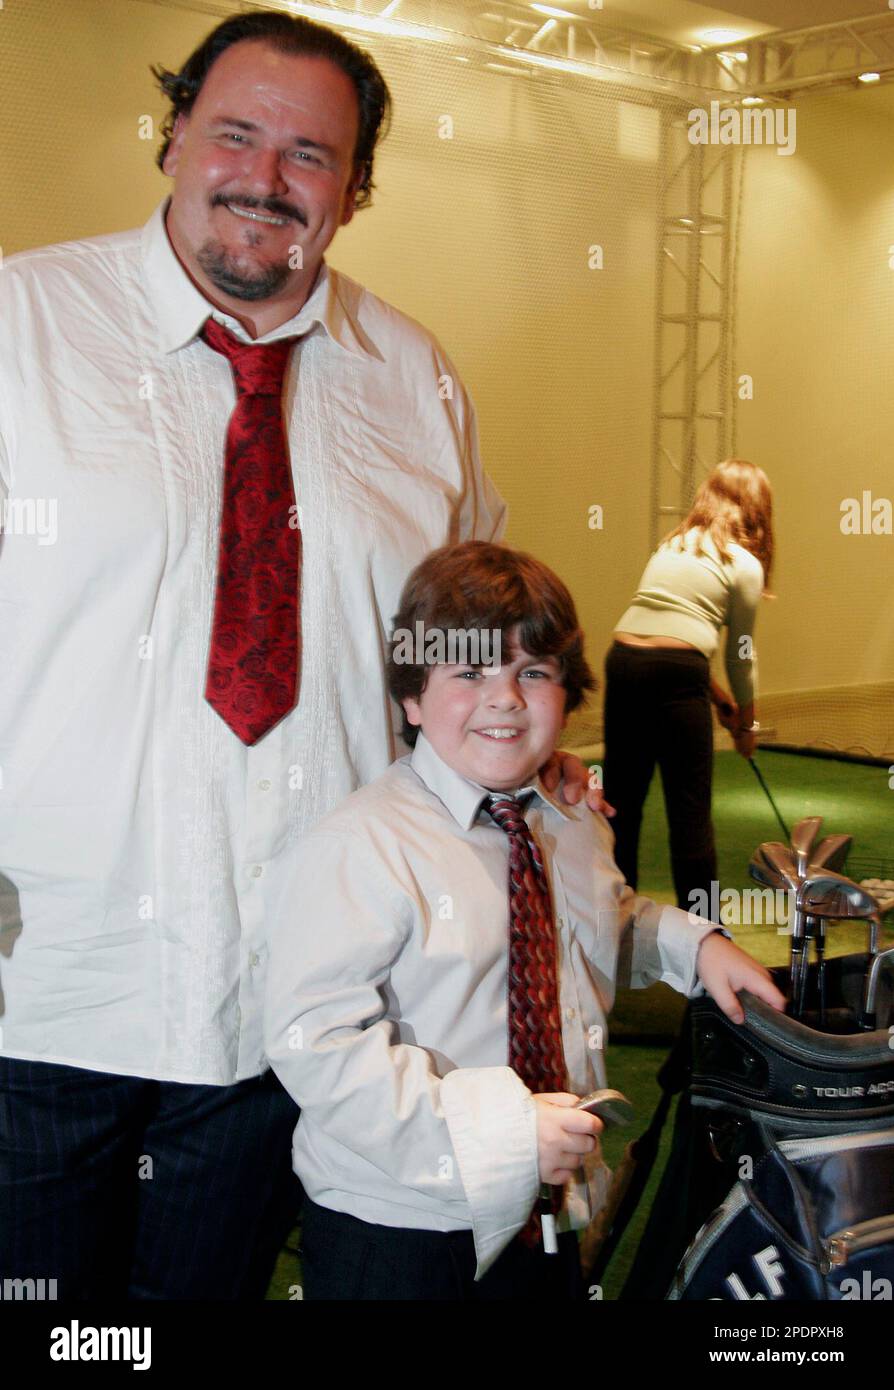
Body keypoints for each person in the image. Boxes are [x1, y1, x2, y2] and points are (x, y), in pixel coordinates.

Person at [0, 11, 596, 1300]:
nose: (265, 177)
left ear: (355, 191)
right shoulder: (20, 326)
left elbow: (464, 649)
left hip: (297, 1002)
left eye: (311, 155)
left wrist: (544, 789)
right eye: (235, 133)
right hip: (42, 989)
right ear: (173, 140)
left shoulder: (416, 379)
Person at [264, 540, 785, 1301]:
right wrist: (502, 1138)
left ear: (568, 694)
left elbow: (597, 924)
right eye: (469, 672)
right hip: (405, 1227)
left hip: (550, 1211)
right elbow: (320, 1043)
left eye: (532, 672)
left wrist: (692, 945)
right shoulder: (361, 846)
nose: (505, 698)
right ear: (411, 697)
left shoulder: (571, 824)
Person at [602, 458, 774, 916]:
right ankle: (704, 943)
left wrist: (719, 700)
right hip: (678, 676)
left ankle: (613, 932)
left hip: (623, 664)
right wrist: (748, 724)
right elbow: (740, 654)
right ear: (757, 510)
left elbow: (664, 635)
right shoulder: (743, 563)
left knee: (621, 807)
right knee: (690, 817)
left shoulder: (672, 545)